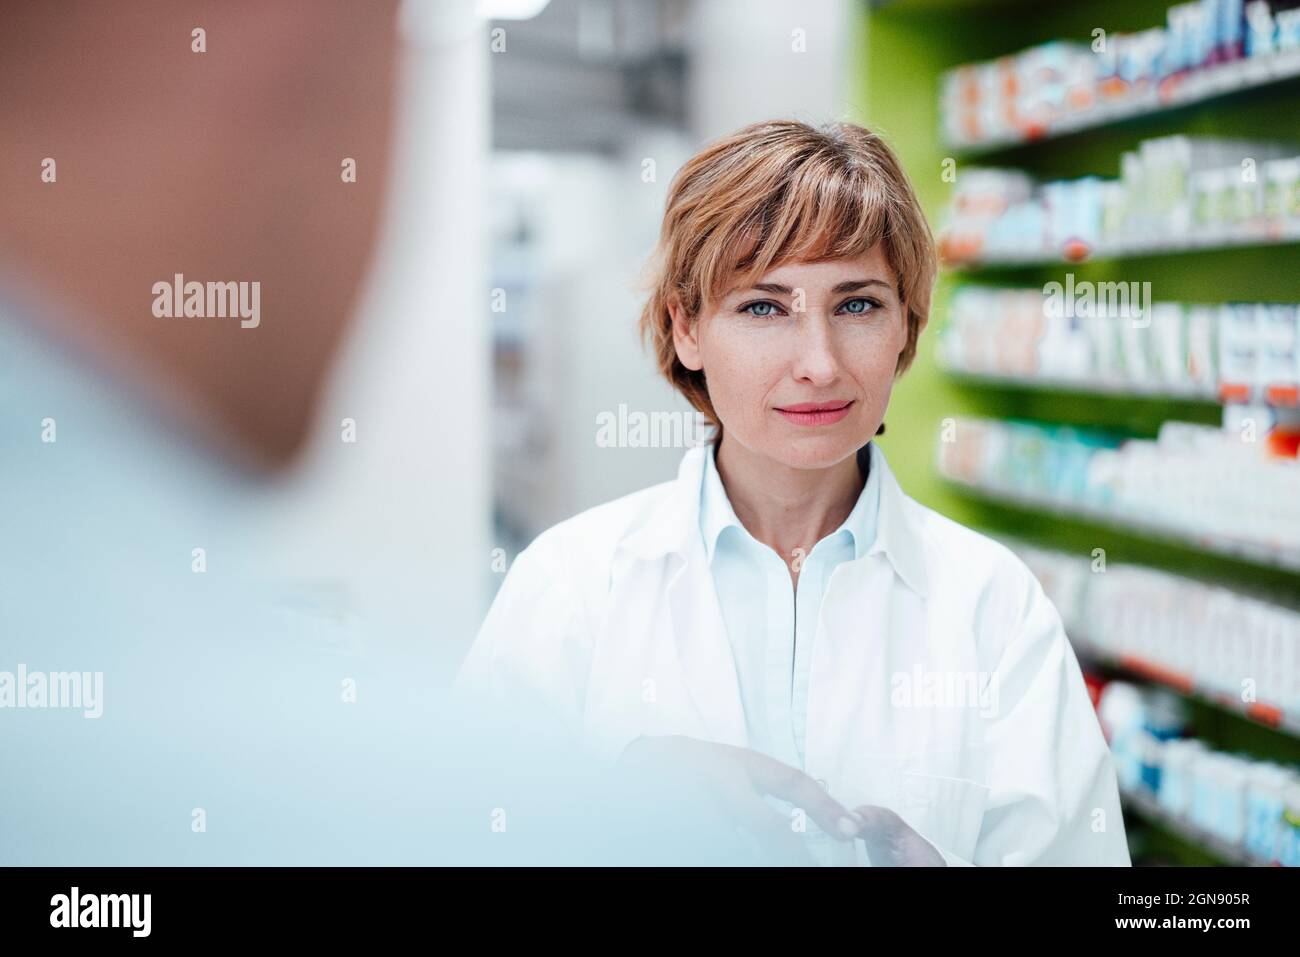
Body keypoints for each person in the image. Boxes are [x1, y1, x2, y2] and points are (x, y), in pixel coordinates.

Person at [456, 119, 1132, 866]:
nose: (819, 363)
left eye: (857, 305)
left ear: (907, 324)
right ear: (686, 329)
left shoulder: (995, 610)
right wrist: (613, 800)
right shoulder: (570, 586)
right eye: (763, 307)